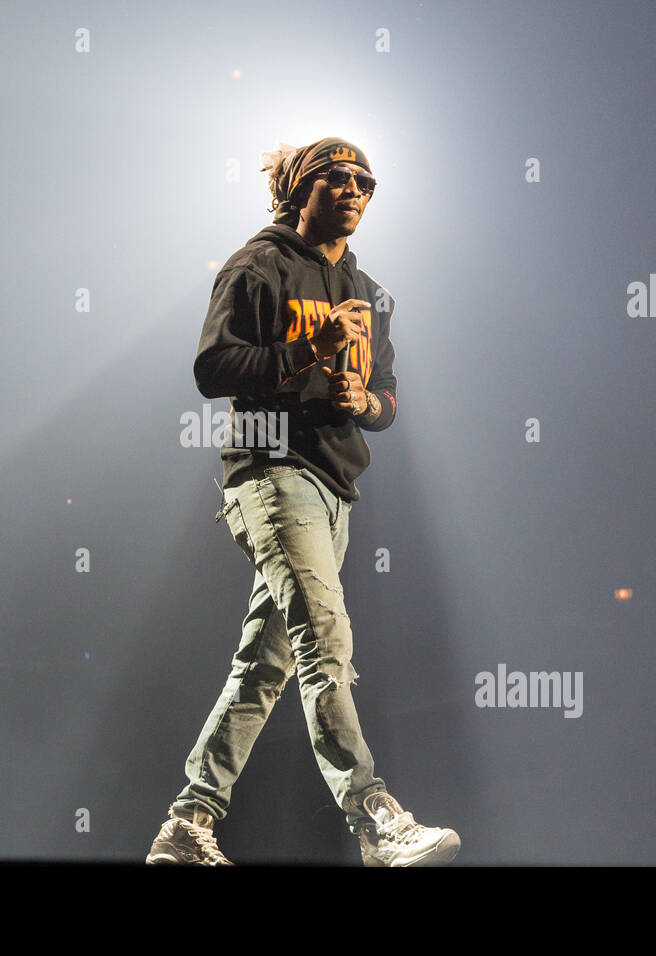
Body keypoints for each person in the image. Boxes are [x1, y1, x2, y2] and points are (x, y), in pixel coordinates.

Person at [146, 137, 460, 867]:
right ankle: (374, 815)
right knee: (327, 639)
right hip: (271, 470)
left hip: (334, 485)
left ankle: (188, 823)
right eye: (339, 178)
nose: (356, 190)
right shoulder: (259, 264)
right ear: (301, 189)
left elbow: (385, 397)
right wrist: (307, 351)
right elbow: (212, 367)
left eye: (368, 182)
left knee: (265, 666)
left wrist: (365, 402)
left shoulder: (371, 293)